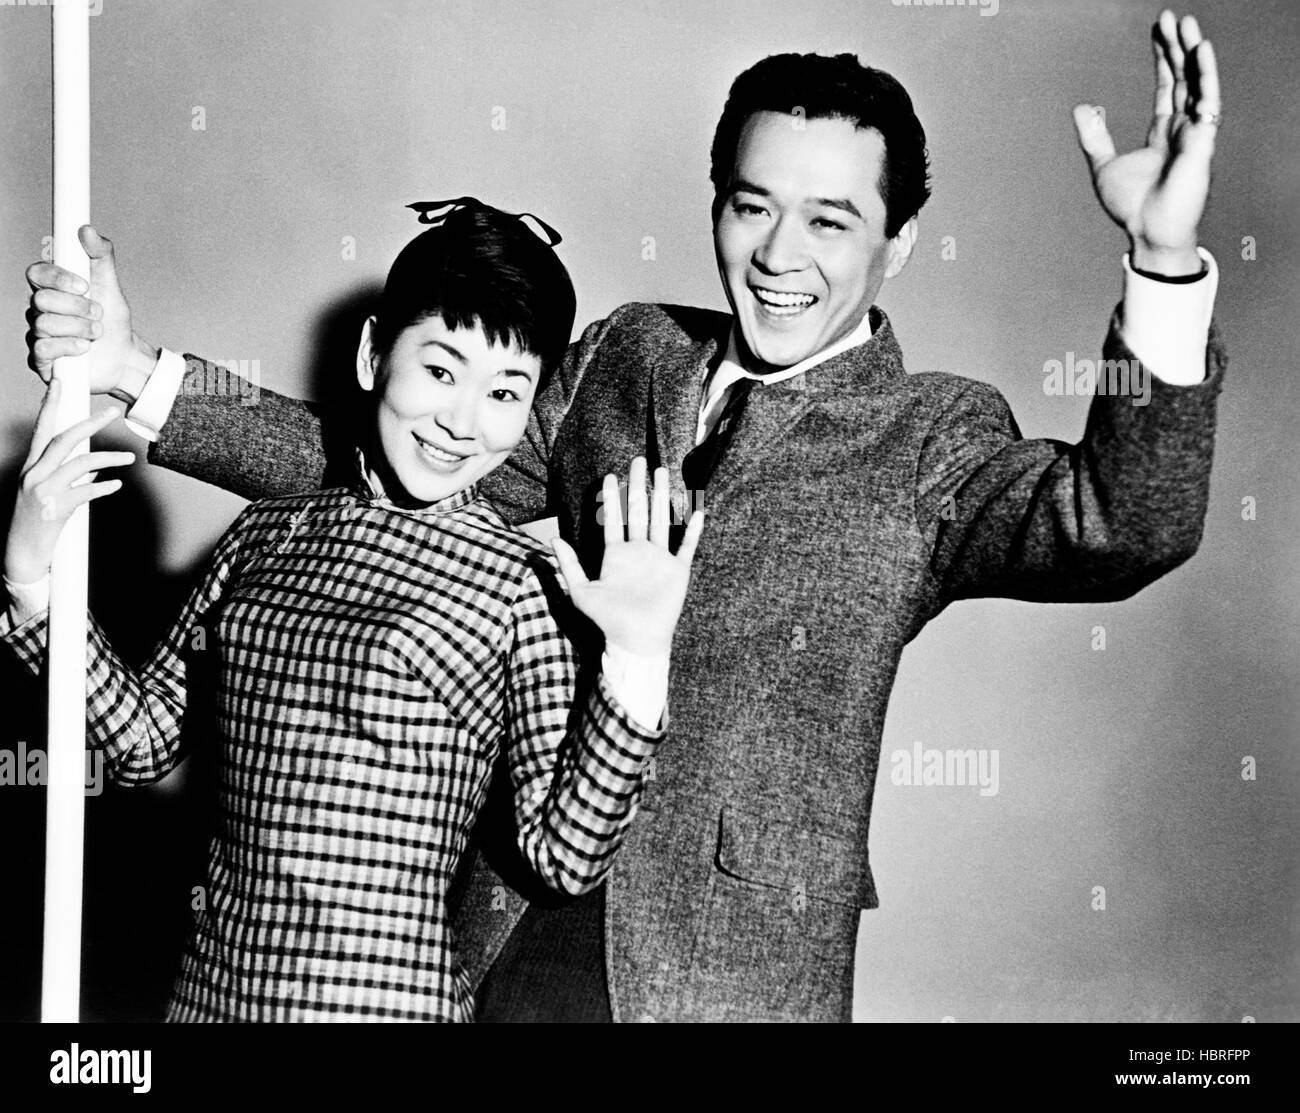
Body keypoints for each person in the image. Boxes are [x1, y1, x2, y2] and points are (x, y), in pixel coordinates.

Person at [22, 13, 1227, 1022]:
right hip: (492, 938)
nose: (776, 257)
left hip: (724, 977)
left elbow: (1121, 519)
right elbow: (396, 470)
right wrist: (141, 374)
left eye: (828, 221)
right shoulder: (624, 356)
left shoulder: (931, 437)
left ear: (900, 243)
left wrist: (1163, 265)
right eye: (751, 207)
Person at [3, 200, 704, 1022]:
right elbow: (143, 743)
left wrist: (637, 657)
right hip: (209, 1003)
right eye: (440, 370)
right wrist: (31, 578)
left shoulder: (524, 585)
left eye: (504, 391)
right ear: (375, 353)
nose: (461, 421)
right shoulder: (264, 533)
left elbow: (563, 856)